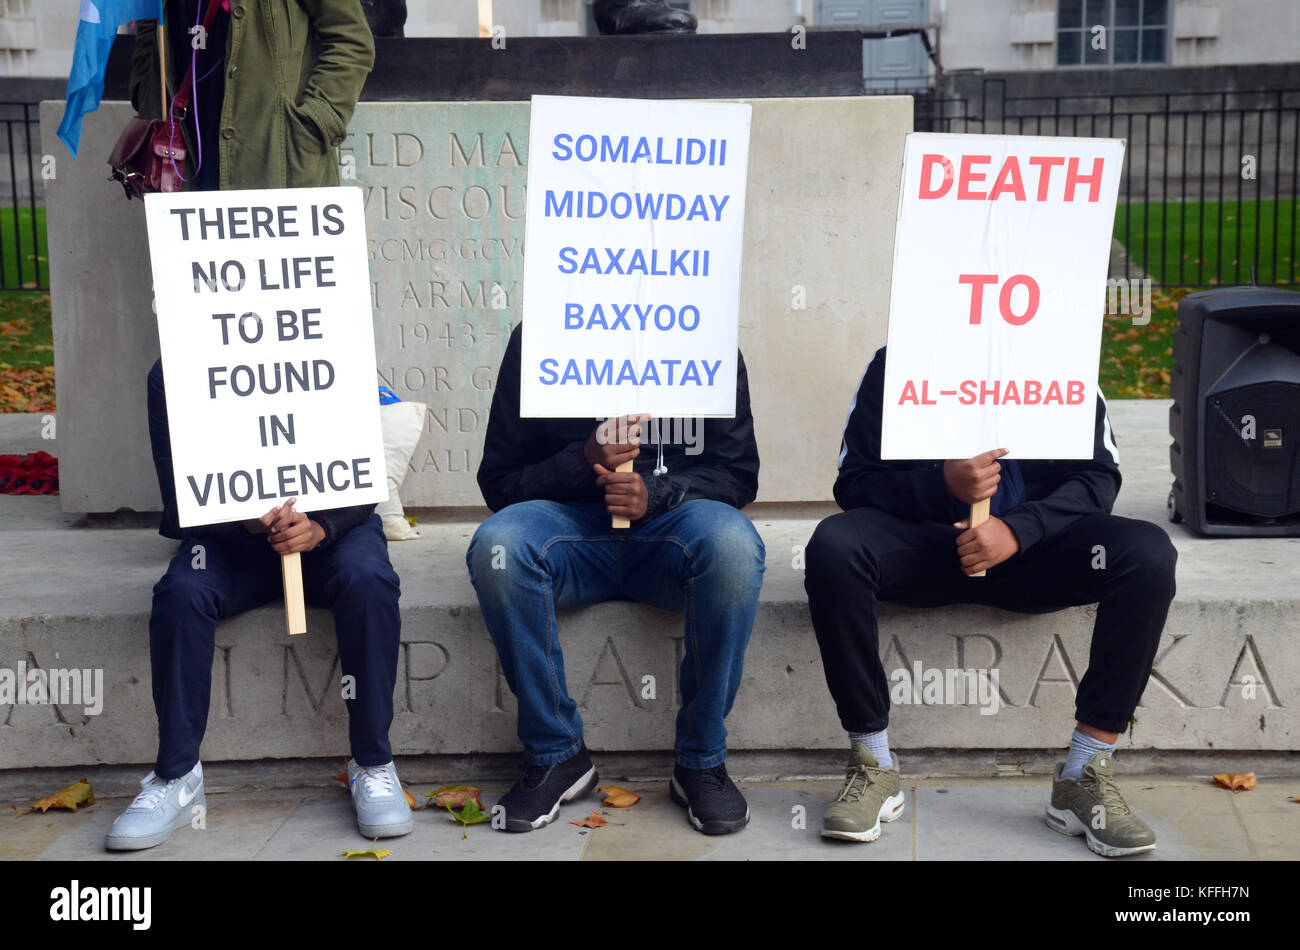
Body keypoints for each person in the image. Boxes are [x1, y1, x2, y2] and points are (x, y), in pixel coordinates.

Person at [105, 0, 403, 850]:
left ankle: (374, 760)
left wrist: (308, 125)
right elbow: (140, 50)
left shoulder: (329, 331)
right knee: (183, 590)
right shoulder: (179, 373)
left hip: (281, 182)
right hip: (203, 207)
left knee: (370, 580)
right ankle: (175, 776)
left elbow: (349, 35)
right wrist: (238, 511)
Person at [803, 345, 1177, 857]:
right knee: (833, 547)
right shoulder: (901, 358)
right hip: (927, 548)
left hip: (1036, 552)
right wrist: (942, 485)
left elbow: (1098, 478)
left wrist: (1019, 529)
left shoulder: (1059, 346)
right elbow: (855, 482)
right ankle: (872, 763)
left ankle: (1085, 773)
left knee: (1148, 553)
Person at [467, 326, 764, 835]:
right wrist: (582, 461)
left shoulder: (704, 329)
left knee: (734, 547)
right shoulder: (539, 338)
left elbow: (738, 475)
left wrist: (659, 492)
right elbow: (500, 483)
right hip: (569, 534)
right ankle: (556, 753)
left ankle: (701, 759)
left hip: (672, 537)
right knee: (499, 547)